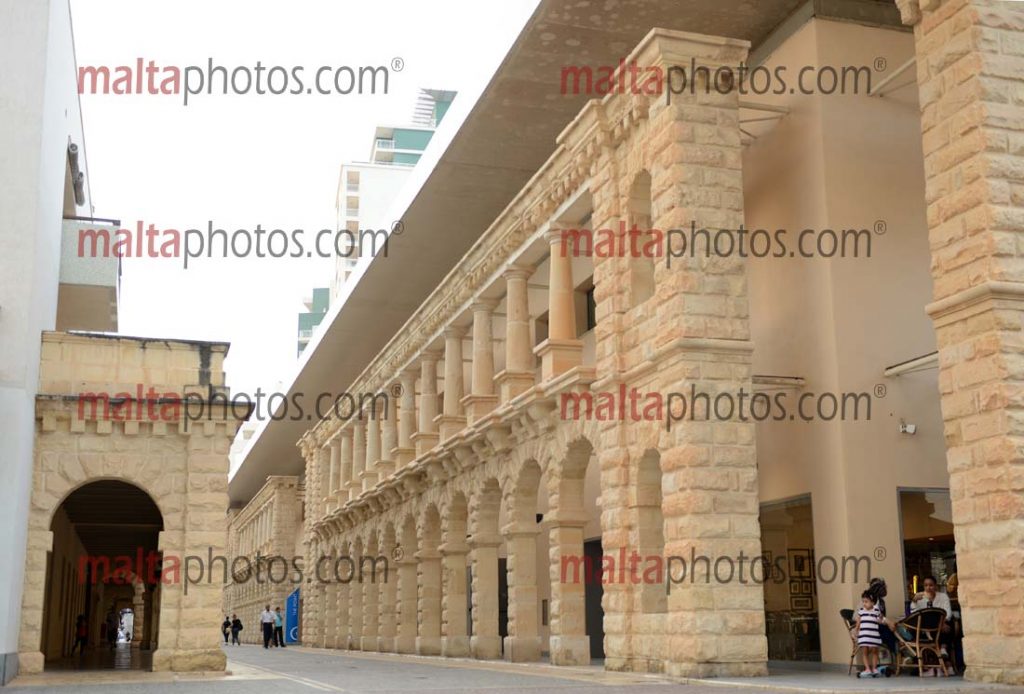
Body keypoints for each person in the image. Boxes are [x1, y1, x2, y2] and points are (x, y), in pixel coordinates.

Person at [904, 575, 954, 661]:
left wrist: (941, 622)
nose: (928, 588)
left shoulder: (943, 597)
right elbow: (914, 614)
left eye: (931, 585)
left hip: (941, 626)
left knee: (950, 623)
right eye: (926, 585)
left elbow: (948, 614)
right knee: (935, 626)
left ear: (935, 586)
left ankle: (943, 648)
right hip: (925, 628)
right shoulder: (920, 597)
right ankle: (940, 652)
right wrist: (914, 601)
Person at [855, 590, 884, 678]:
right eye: (863, 601)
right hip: (864, 635)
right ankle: (867, 669)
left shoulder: (876, 610)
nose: (864, 603)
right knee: (864, 652)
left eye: (866, 602)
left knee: (875, 652)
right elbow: (858, 621)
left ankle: (874, 668)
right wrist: (856, 629)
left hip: (874, 635)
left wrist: (881, 618)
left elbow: (879, 621)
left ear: (873, 602)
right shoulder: (861, 611)